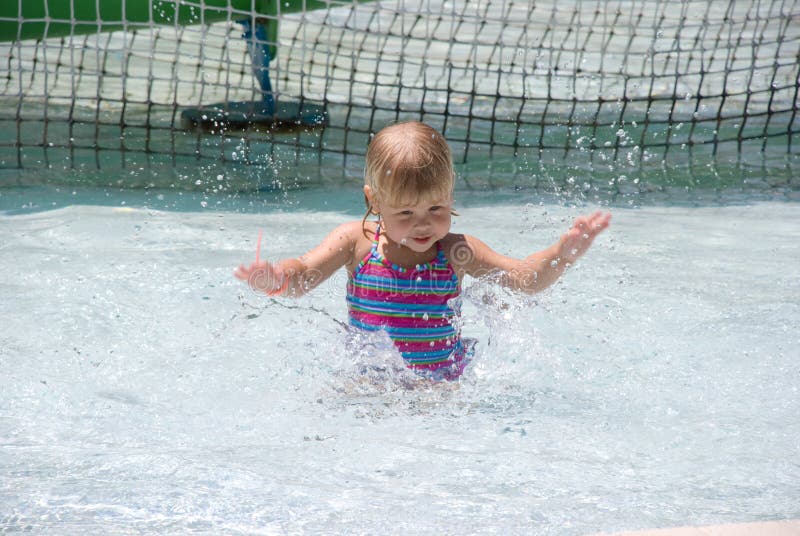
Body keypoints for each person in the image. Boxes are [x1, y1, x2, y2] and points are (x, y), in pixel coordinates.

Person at [234, 121, 610, 380]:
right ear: (375, 200)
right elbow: (303, 276)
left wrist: (563, 252)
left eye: (436, 209)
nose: (423, 225)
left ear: (450, 195)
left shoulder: (456, 252)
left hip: (442, 384)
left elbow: (524, 279)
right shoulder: (356, 242)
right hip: (372, 382)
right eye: (406, 213)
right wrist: (275, 279)